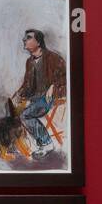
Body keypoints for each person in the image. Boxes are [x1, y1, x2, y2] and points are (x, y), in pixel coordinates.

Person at [13, 29, 67, 158]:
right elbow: (27, 85)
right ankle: (18, 145)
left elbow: (66, 78)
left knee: (26, 116)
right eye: (25, 37)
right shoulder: (30, 62)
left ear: (38, 42)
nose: (24, 40)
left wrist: (54, 86)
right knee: (11, 109)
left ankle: (46, 143)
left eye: (29, 37)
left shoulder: (53, 58)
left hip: (50, 98)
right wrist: (18, 95)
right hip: (35, 98)